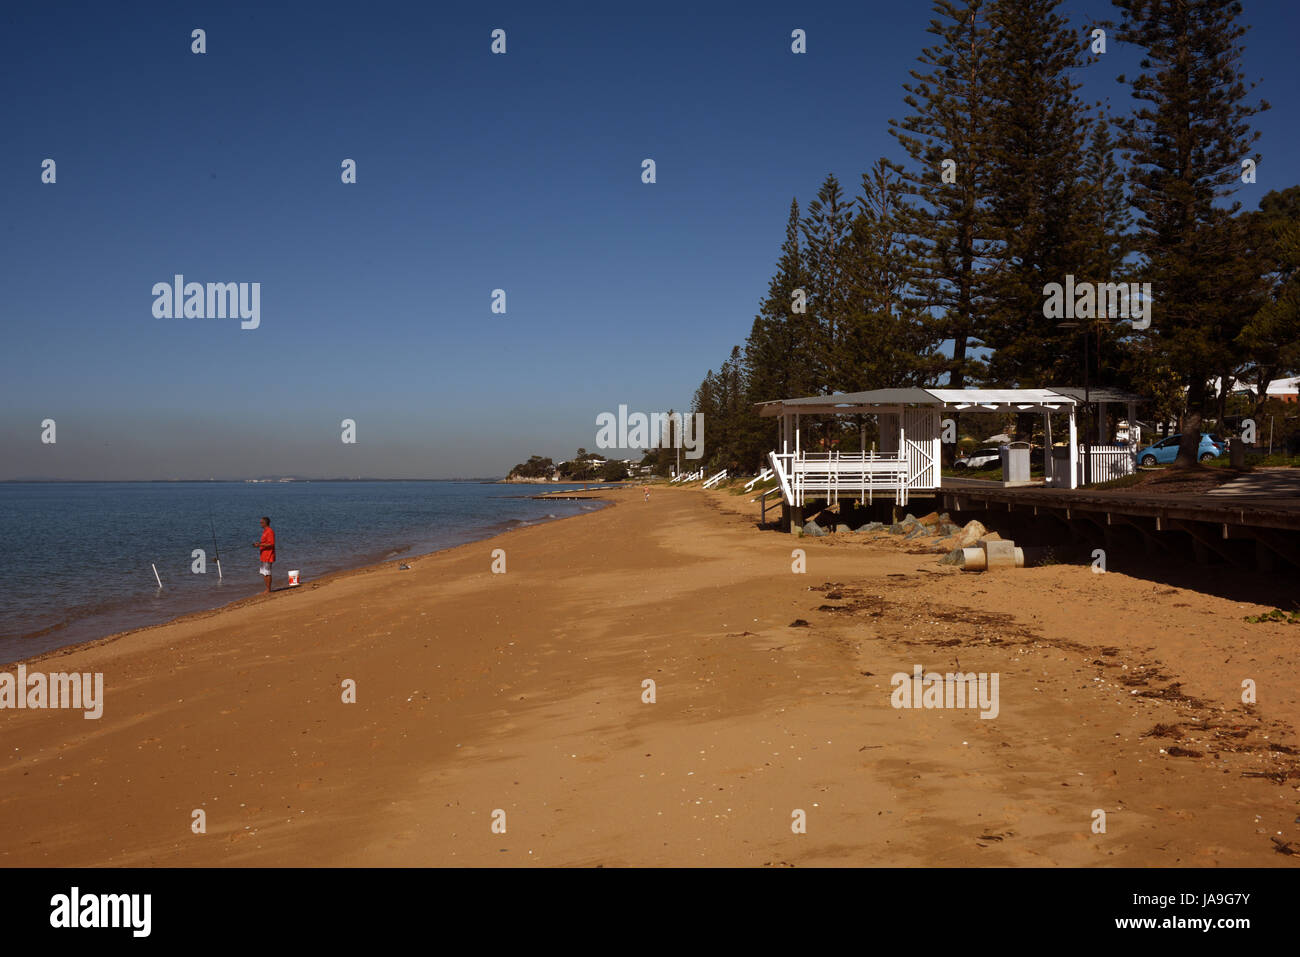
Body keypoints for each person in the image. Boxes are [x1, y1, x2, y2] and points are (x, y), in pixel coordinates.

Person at [255, 516, 275, 593]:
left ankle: (268, 589)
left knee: (267, 572)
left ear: (265, 523)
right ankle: (267, 588)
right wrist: (259, 544)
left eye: (261, 522)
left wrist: (260, 545)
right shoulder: (265, 531)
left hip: (268, 555)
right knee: (263, 572)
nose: (260, 524)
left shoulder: (270, 531)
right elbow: (265, 542)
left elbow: (271, 544)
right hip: (263, 555)